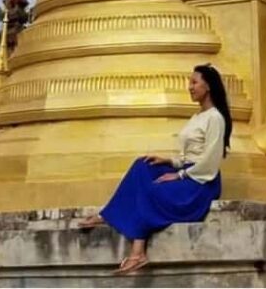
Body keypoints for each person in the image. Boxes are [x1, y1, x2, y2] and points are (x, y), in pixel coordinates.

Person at [77, 63, 232, 275]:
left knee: (152, 191)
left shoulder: (216, 118)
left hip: (200, 183)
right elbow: (188, 156)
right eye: (190, 82)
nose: (190, 87)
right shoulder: (197, 117)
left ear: (208, 87)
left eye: (194, 82)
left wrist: (178, 175)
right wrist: (168, 161)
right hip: (186, 172)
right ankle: (108, 213)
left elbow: (209, 162)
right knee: (143, 165)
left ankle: (138, 252)